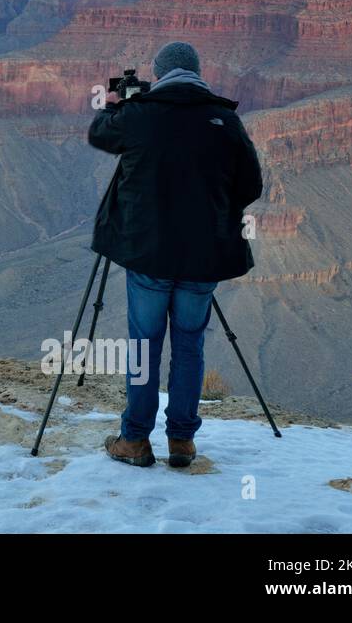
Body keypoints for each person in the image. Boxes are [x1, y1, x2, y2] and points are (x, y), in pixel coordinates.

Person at [87, 41, 263, 468]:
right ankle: (182, 441)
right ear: (197, 73)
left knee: (144, 346)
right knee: (189, 345)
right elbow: (250, 186)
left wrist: (119, 104)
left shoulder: (141, 115)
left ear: (160, 74)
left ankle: (135, 440)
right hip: (203, 259)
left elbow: (99, 133)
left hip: (148, 255)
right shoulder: (223, 119)